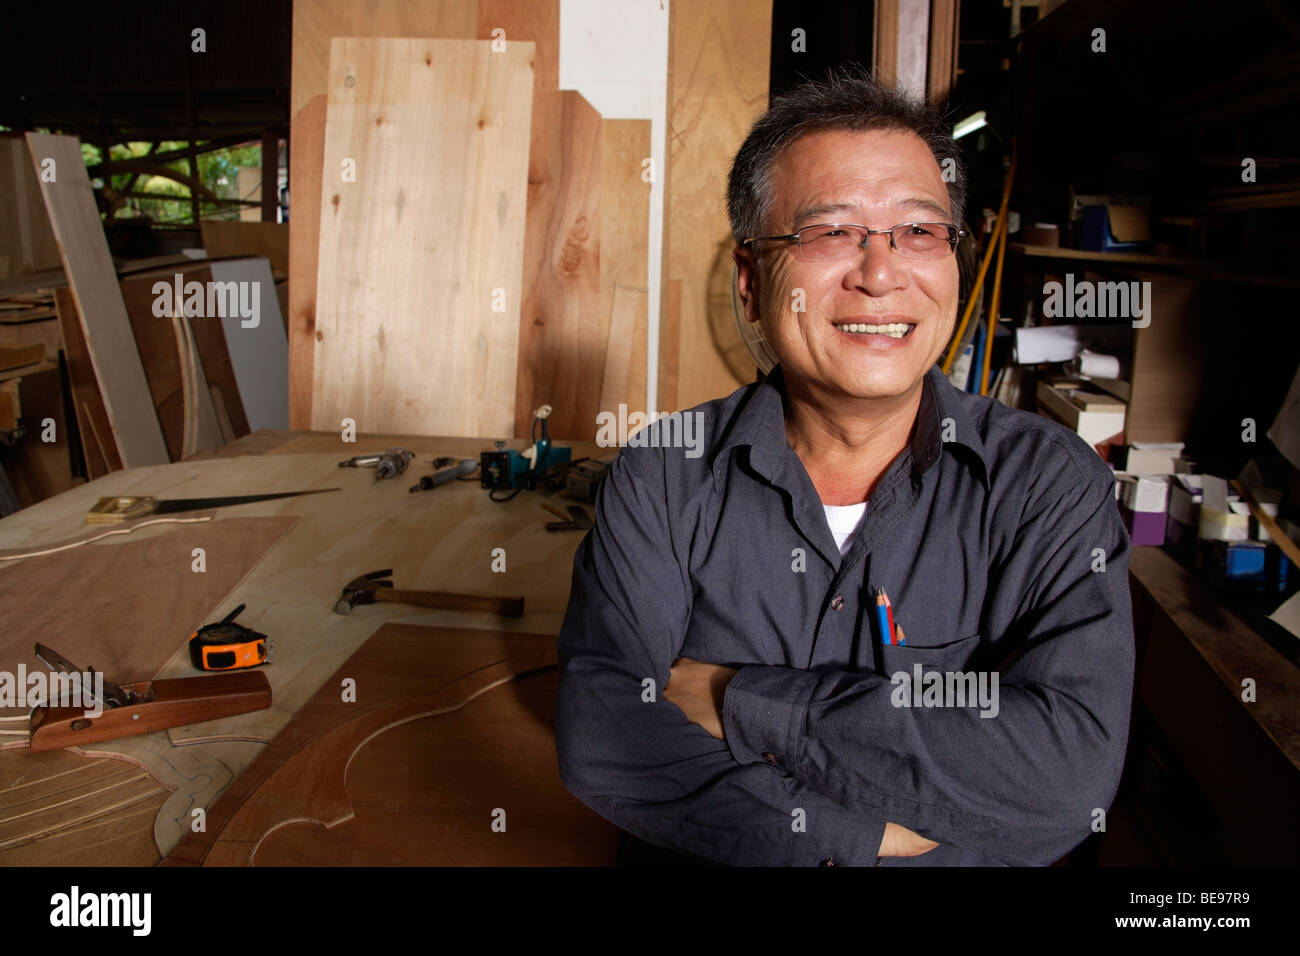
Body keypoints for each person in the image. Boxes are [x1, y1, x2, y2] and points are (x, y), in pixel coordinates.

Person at [555, 65, 1134, 866]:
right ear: (753, 284)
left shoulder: (1045, 484)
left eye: (919, 232)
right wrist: (860, 834)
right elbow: (605, 730)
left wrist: (739, 698)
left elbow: (1067, 777)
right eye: (830, 233)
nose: (880, 272)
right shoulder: (665, 474)